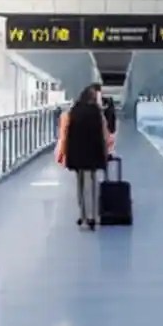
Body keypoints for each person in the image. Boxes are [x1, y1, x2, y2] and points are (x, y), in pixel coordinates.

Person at [57, 85, 110, 230]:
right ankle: (92, 216)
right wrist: (105, 153)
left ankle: (83, 215)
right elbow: (102, 135)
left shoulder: (74, 111)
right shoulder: (95, 112)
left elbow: (68, 134)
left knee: (80, 184)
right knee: (91, 184)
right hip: (92, 154)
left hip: (77, 155)